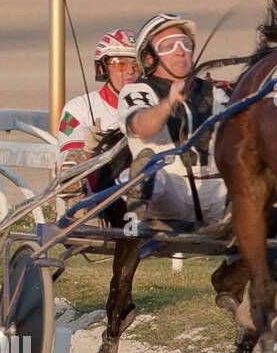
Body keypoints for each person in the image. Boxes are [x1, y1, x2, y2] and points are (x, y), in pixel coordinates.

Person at [117, 13, 229, 224]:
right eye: (168, 46)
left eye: (185, 44)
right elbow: (141, 127)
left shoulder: (215, 93)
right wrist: (169, 102)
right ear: (149, 58)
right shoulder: (138, 90)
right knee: (149, 173)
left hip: (219, 190)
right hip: (171, 191)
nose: (180, 51)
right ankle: (137, 203)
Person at [56, 28, 139, 173]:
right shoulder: (77, 109)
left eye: (137, 65)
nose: (130, 71)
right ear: (102, 68)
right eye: (120, 63)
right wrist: (89, 148)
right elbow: (70, 162)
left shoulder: (157, 106)